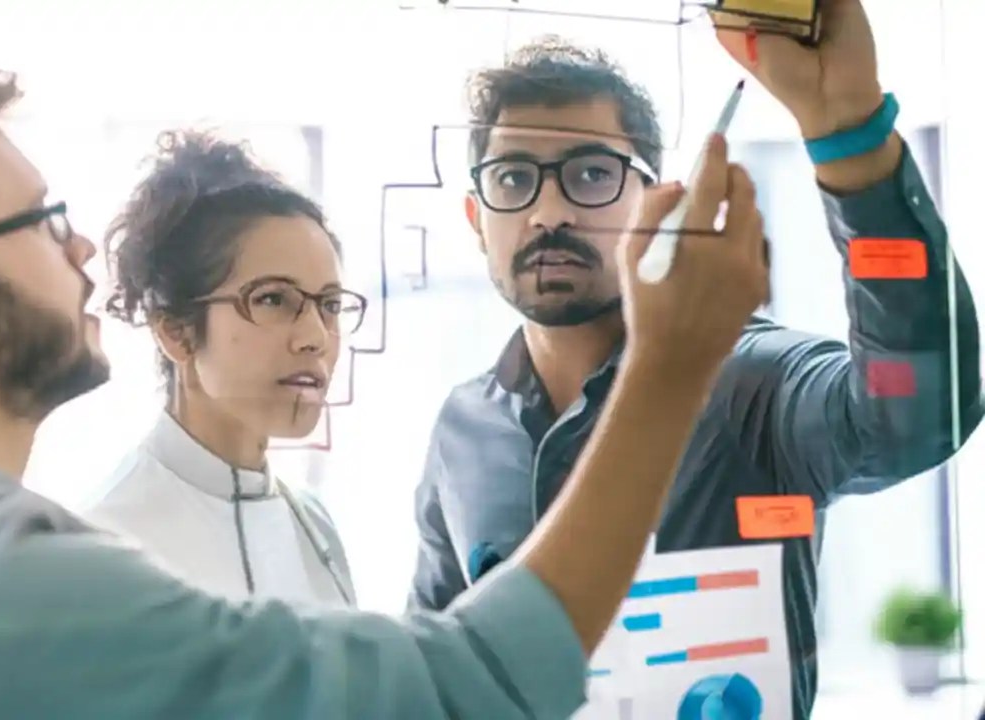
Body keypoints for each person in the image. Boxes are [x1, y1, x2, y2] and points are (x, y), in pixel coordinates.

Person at [0, 54, 768, 719]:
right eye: (36, 222)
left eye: (327, 302)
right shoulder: (17, 580)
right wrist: (670, 363)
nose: (80, 250)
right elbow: (468, 687)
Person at [408, 4, 982, 719]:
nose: (547, 212)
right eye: (513, 178)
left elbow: (916, 411)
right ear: (475, 217)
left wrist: (851, 139)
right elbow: (426, 676)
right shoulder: (462, 428)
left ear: (656, 200)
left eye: (591, 174)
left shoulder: (751, 382)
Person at [80, 131, 359, 606]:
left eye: (329, 304)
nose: (315, 335)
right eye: (273, 299)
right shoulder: (109, 547)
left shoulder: (314, 524)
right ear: (175, 331)